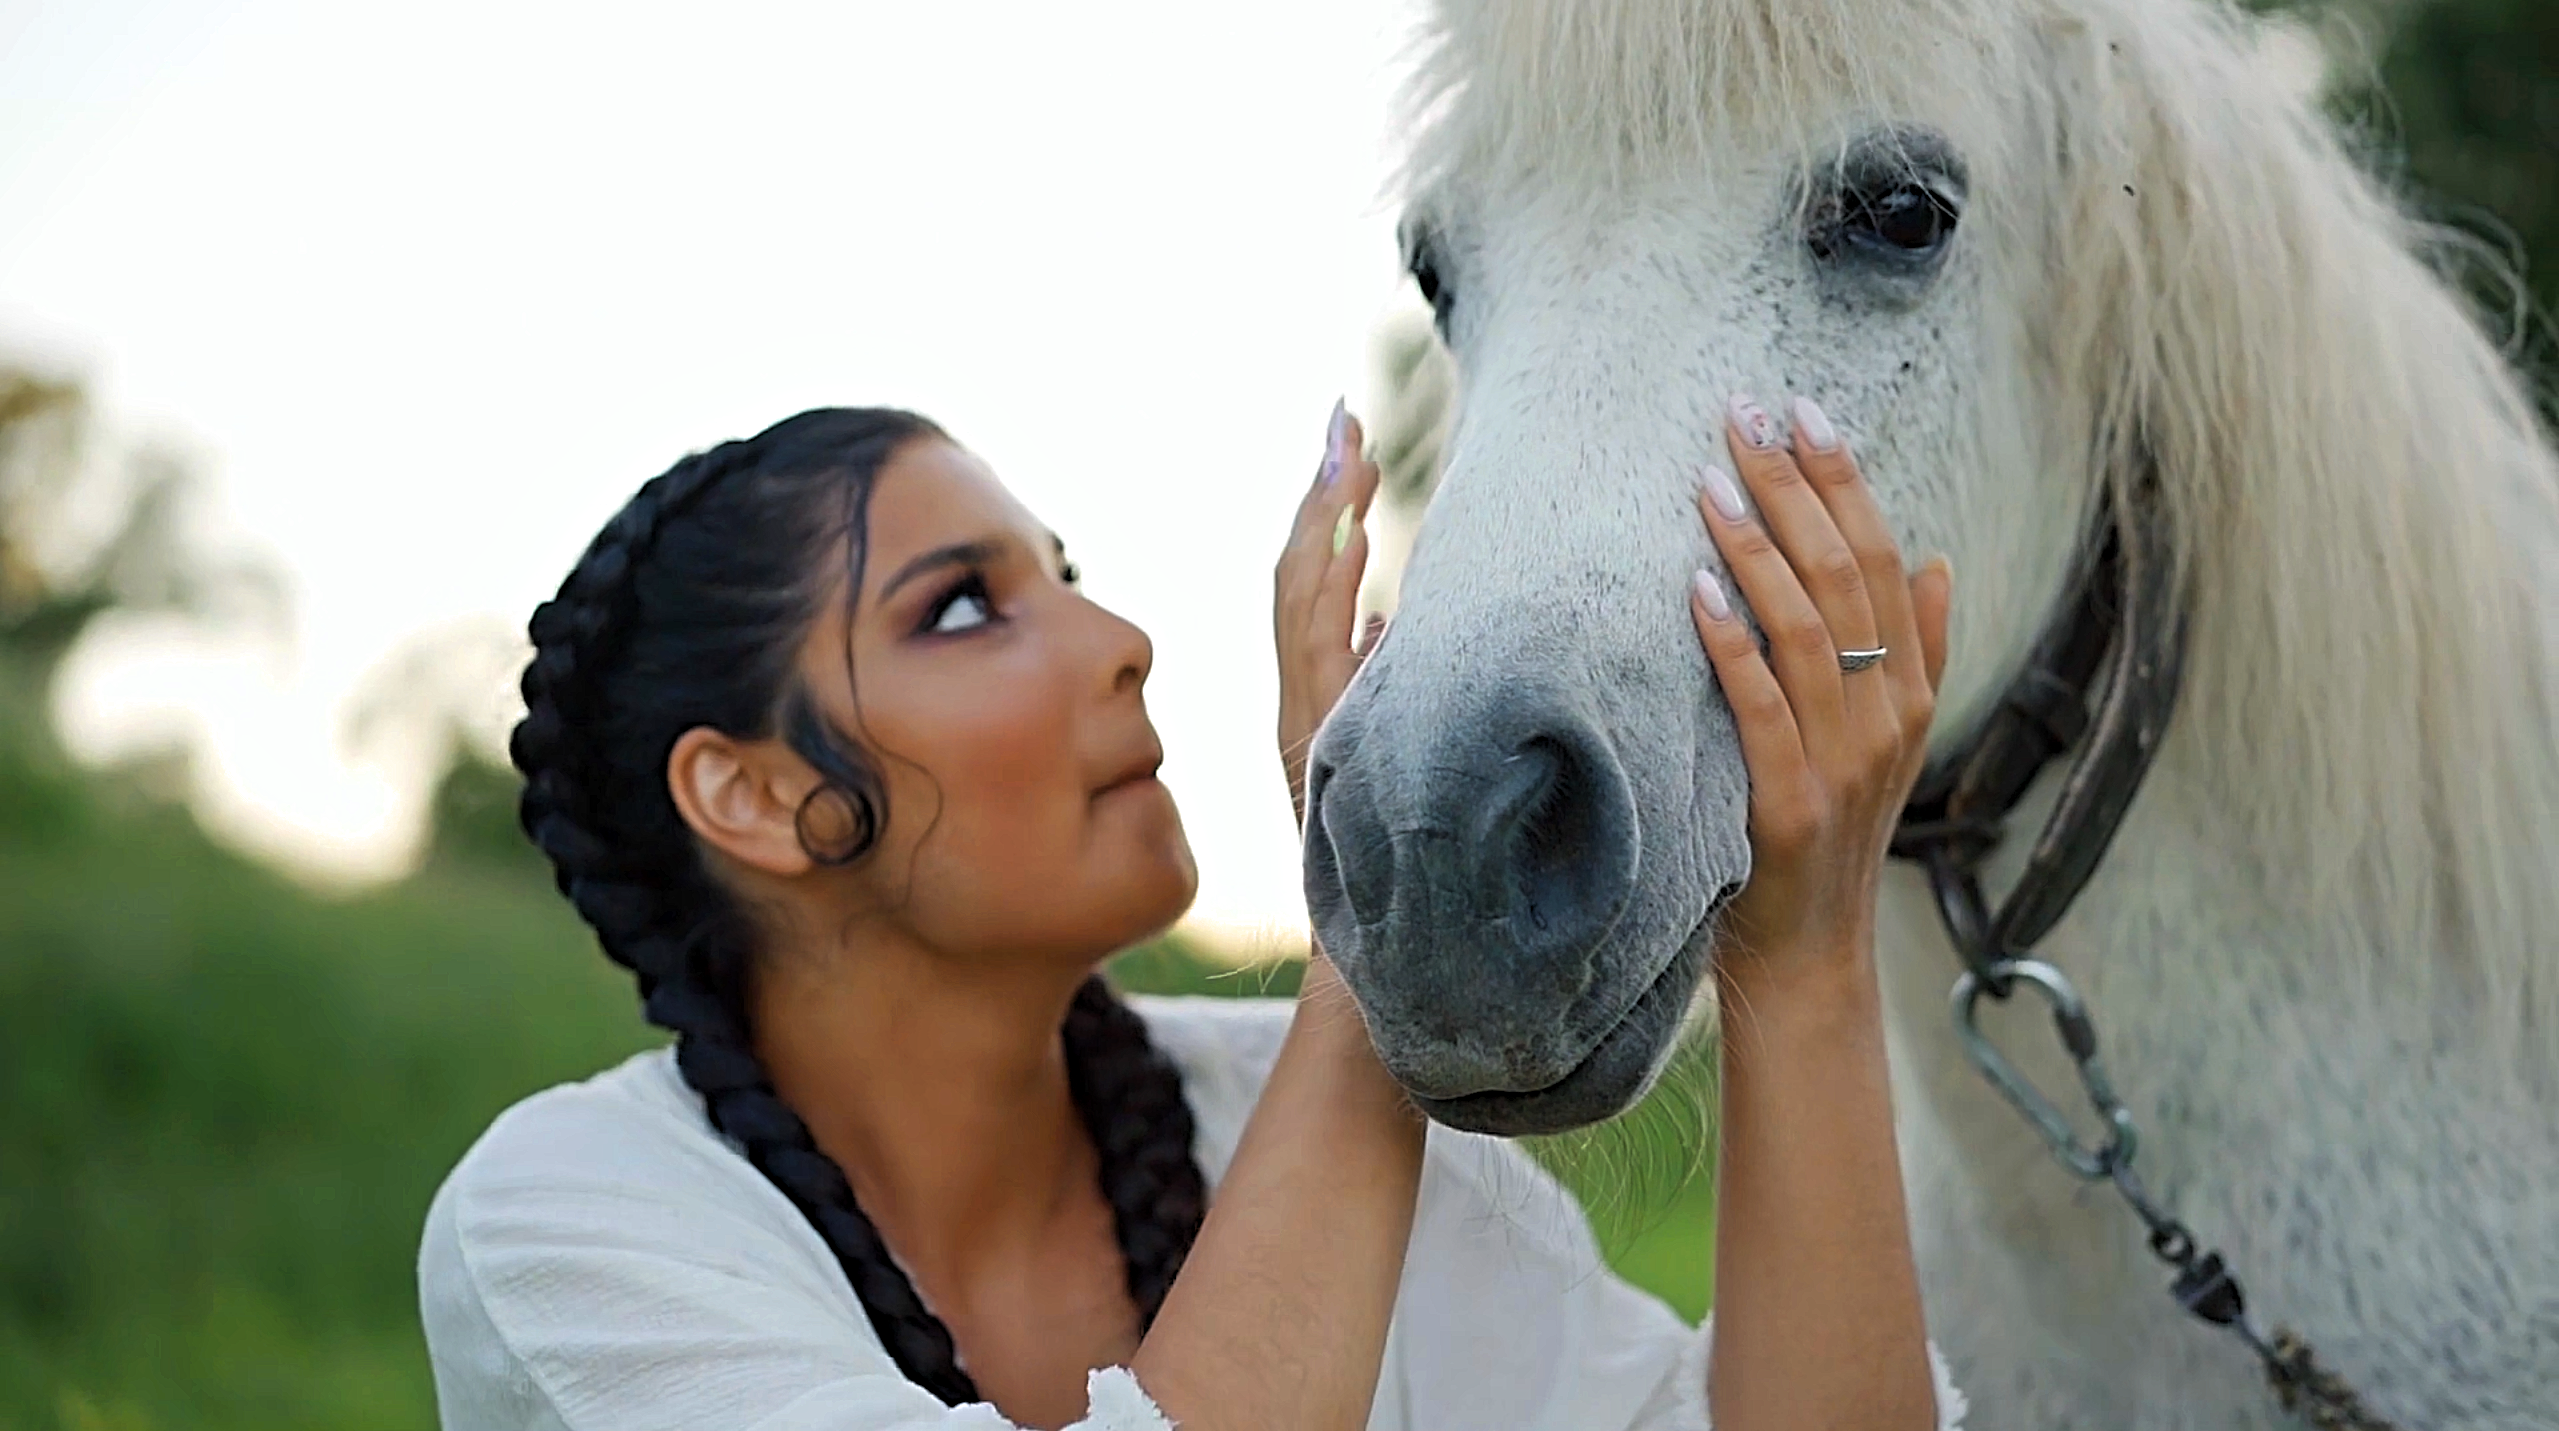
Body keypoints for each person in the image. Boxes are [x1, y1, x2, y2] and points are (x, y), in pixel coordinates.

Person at [416, 397, 1963, 1431]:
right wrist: (1384, 912)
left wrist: (1806, 951)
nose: (1121, 640)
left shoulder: (1294, 1130)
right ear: (754, 796)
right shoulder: (566, 1223)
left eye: (1067, 573)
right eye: (963, 606)